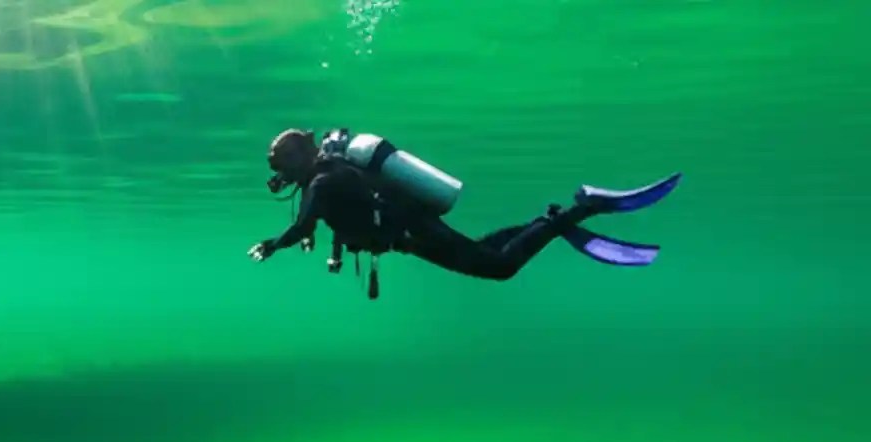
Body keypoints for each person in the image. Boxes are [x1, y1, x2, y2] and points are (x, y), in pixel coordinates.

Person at [247, 128, 681, 299]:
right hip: (408, 231)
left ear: (299, 157)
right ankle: (553, 219)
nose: (277, 174)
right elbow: (331, 217)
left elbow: (307, 221)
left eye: (278, 164)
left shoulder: (321, 181)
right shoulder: (326, 176)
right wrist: (326, 246)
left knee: (500, 267)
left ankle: (578, 210)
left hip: (411, 232)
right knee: (484, 254)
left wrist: (273, 244)